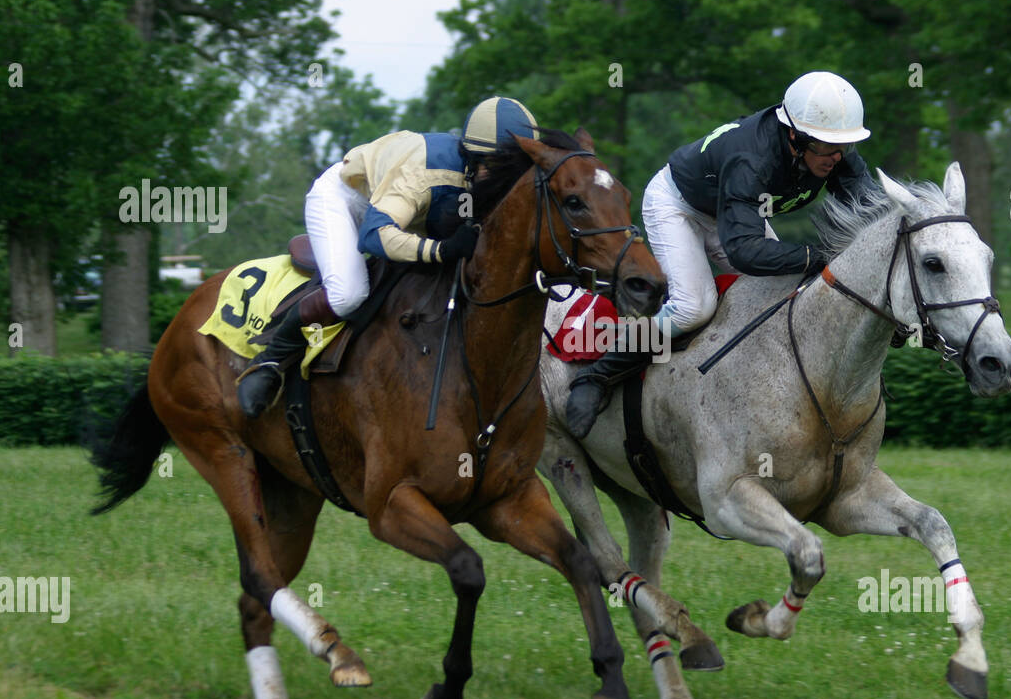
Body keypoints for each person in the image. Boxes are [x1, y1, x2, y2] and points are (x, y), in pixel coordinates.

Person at [565, 71, 877, 438]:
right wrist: (819, 256)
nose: (836, 157)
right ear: (795, 136)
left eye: (845, 146)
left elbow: (875, 213)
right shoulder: (753, 158)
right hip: (678, 205)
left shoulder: (833, 154)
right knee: (693, 307)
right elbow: (745, 252)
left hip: (732, 212)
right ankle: (598, 374)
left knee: (798, 293)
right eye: (826, 146)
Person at [237, 96, 540, 418]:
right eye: (493, 166)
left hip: (407, 210)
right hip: (350, 199)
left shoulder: (480, 174)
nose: (502, 179)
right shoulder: (425, 174)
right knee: (347, 294)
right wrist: (441, 250)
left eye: (513, 169)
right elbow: (375, 233)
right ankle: (269, 361)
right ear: (470, 156)